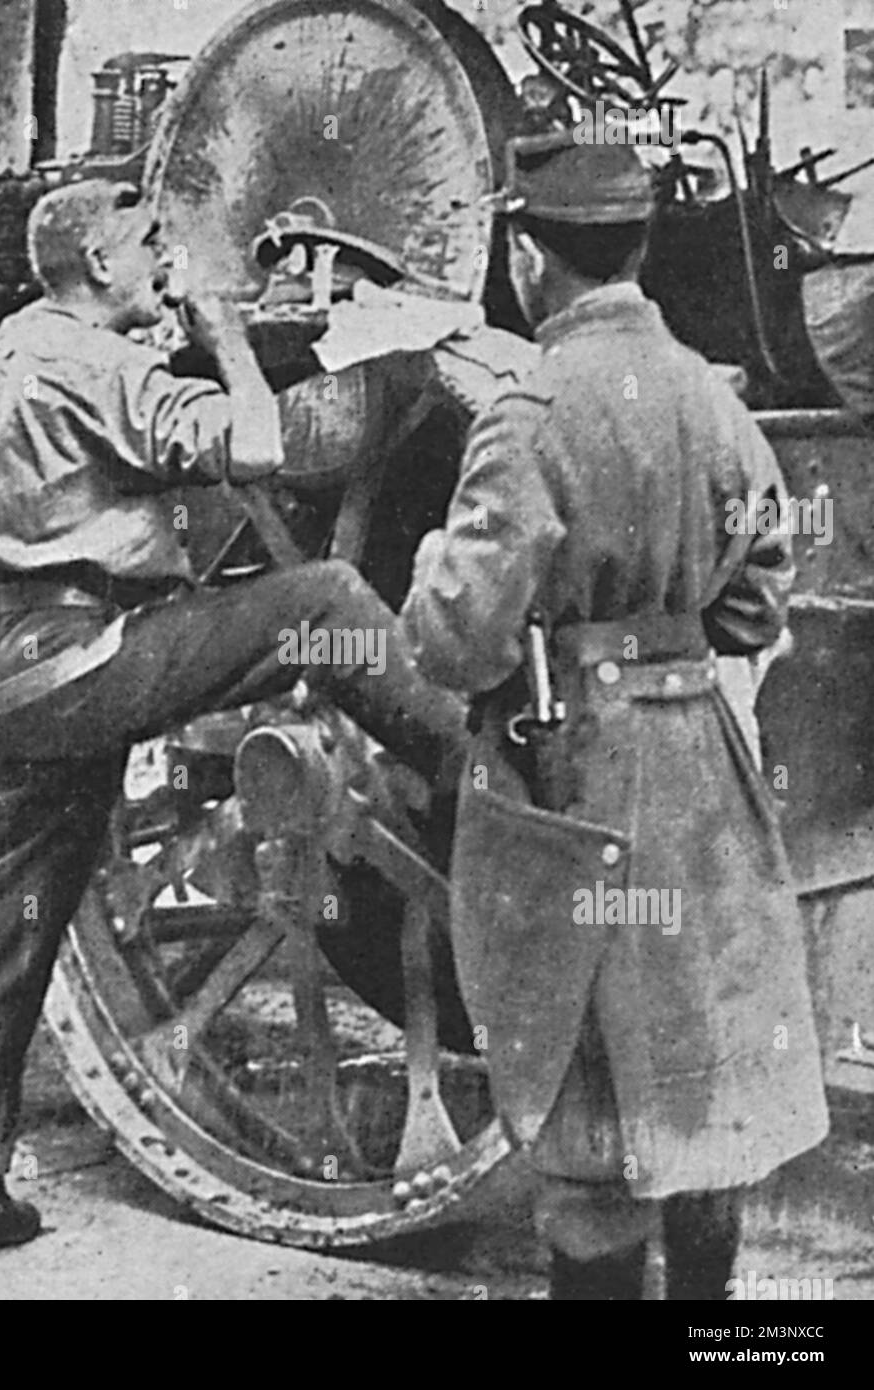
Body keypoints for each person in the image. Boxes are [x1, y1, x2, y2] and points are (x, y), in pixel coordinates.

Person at [0, 178, 465, 1266]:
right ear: (93, 265)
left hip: (25, 668)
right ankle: (472, 766)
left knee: (1, 925)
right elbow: (258, 449)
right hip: (95, 658)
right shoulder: (97, 361)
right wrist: (223, 329)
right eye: (144, 246)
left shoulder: (14, 349)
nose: (162, 262)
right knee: (319, 597)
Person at [401, 134, 829, 1301]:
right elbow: (754, 596)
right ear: (633, 247)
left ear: (526, 257)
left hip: (569, 775)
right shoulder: (707, 392)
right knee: (697, 1082)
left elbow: (458, 636)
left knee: (587, 1098)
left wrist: (431, 561)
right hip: (701, 766)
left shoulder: (525, 411)